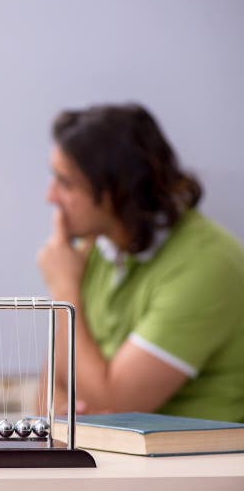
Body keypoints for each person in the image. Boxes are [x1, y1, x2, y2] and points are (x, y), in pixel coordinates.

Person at [37, 103, 244, 422]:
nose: (50, 197)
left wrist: (64, 290)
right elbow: (49, 392)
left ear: (115, 191)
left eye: (66, 184)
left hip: (193, 465)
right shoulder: (97, 246)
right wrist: (62, 408)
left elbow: (117, 405)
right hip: (116, 460)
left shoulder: (208, 265)